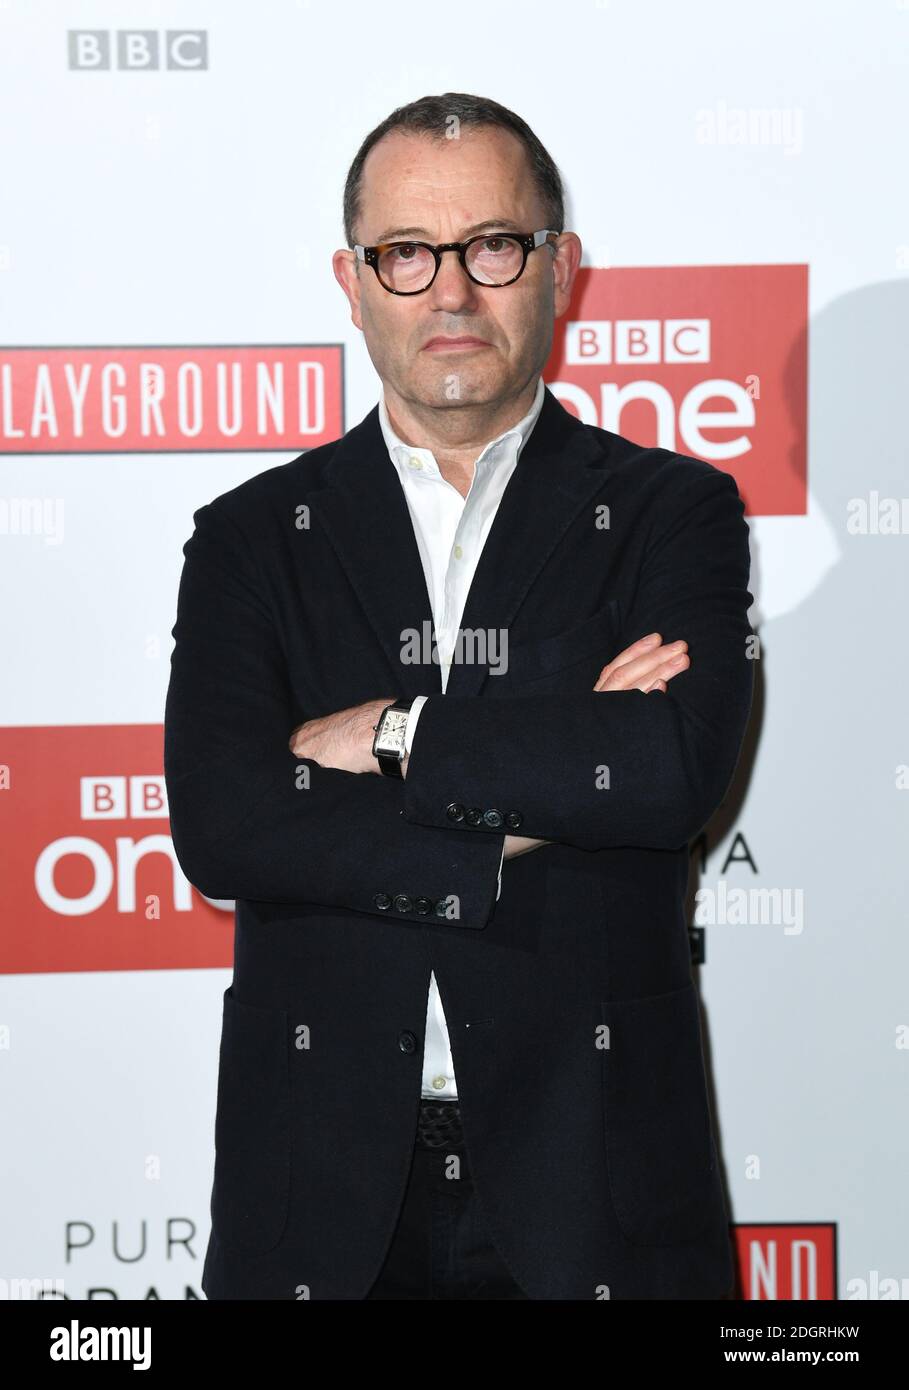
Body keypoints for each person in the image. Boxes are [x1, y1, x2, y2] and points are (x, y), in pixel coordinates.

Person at [164, 91, 754, 1300]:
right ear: (352, 277)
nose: (450, 292)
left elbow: (667, 770)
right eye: (406, 253)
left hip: (601, 1183)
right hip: (318, 1200)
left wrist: (392, 734)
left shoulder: (671, 512)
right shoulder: (251, 540)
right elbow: (225, 824)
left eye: (493, 246)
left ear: (559, 267)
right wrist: (550, 759)